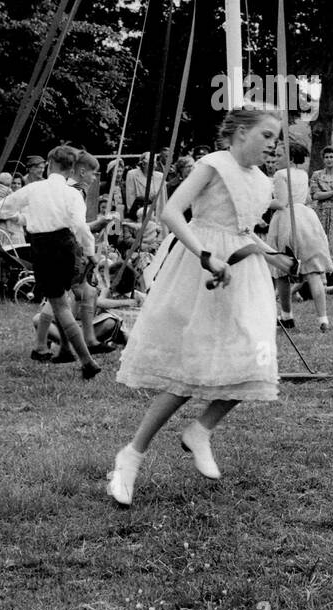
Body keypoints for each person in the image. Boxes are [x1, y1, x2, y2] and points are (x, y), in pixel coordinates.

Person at [107, 105, 293, 508]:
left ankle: (201, 430)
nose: (272, 145)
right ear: (240, 133)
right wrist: (205, 255)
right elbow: (172, 213)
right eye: (266, 135)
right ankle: (132, 455)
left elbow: (242, 230)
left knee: (254, 361)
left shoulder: (262, 181)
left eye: (275, 138)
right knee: (190, 370)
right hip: (200, 270)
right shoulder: (213, 164)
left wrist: (273, 253)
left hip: (244, 274)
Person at [0, 145, 101, 379]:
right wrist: (90, 252)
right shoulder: (73, 192)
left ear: (50, 164)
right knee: (62, 300)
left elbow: (2, 206)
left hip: (44, 248)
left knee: (61, 307)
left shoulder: (34, 188)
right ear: (71, 168)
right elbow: (81, 227)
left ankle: (87, 361)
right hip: (67, 246)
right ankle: (63, 350)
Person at [265, 139, 333, 332]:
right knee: (313, 271)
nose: (275, 159)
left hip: (287, 220)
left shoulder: (280, 174)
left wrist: (259, 201)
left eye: (279, 155)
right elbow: (303, 198)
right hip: (307, 218)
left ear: (290, 157)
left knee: (282, 271)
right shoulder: (303, 173)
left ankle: (287, 316)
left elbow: (281, 202)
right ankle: (323, 319)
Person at [310, 146, 333, 279]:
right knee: (321, 242)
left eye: (331, 157)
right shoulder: (317, 175)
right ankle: (321, 274)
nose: (329, 159)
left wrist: (325, 194)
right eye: (326, 157)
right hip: (321, 213)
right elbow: (315, 195)